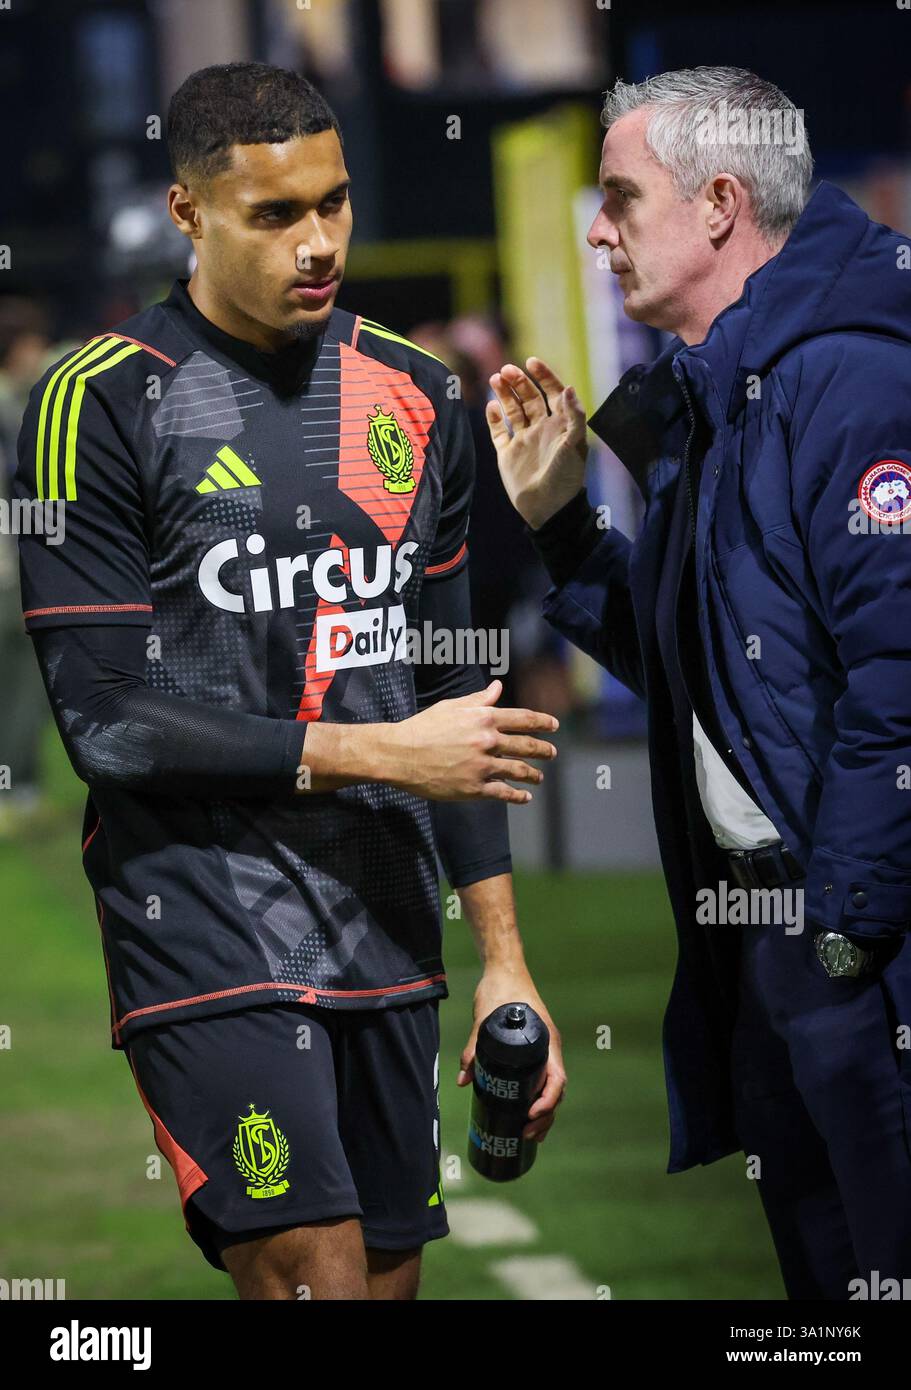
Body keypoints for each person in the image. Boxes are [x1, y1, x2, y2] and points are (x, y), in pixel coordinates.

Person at [14, 61, 566, 1301]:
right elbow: (104, 721)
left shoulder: (420, 397)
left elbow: (454, 705)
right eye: (275, 215)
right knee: (313, 1272)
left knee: (379, 1280)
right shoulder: (97, 403)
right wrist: (376, 752)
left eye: (334, 203)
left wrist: (505, 964)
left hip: (381, 910)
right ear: (188, 211)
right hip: (201, 916)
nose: (317, 243)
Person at [486, 65, 911, 1299]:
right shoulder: (730, 383)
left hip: (860, 951)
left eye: (620, 196)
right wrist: (565, 530)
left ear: (719, 202)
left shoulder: (848, 380)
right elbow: (711, 672)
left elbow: (899, 689)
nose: (595, 227)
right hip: (791, 945)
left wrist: (838, 944)